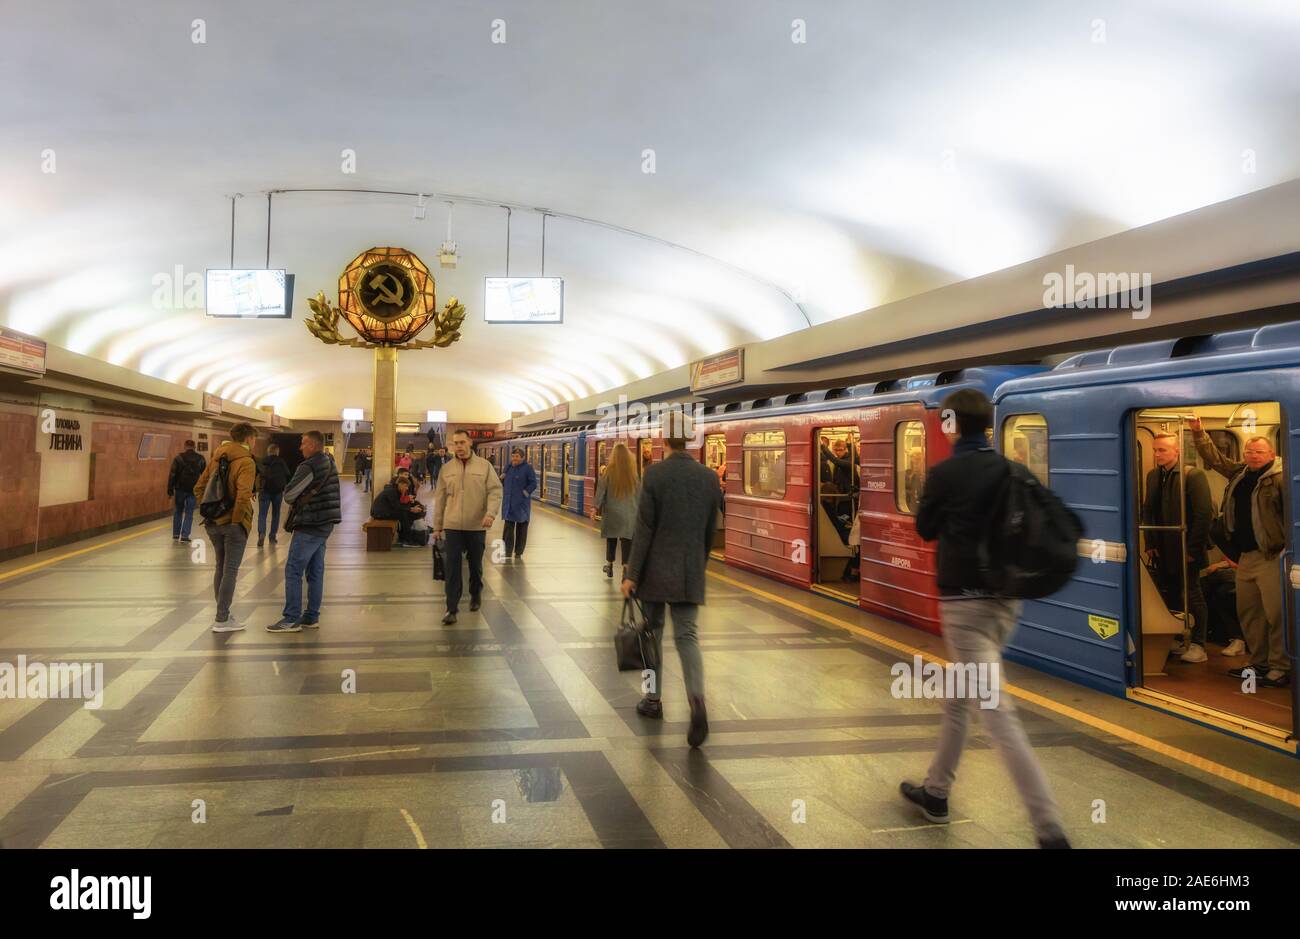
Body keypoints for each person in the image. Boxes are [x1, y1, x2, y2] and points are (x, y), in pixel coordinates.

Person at [901, 388, 1070, 849]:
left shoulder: (945, 473)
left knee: (998, 714)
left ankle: (1048, 827)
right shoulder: (1012, 470)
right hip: (1005, 602)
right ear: (990, 426)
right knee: (960, 698)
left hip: (964, 606)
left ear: (951, 424)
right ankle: (936, 793)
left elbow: (925, 528)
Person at [621, 409, 721, 747]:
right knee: (688, 638)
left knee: (652, 636)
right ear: (690, 437)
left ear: (665, 437)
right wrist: (698, 561)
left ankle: (653, 699)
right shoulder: (709, 478)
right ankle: (697, 701)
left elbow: (644, 529)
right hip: (690, 569)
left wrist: (631, 574)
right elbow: (711, 530)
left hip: (654, 571)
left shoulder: (654, 475)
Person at [1190, 418, 1290, 687]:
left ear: (1272, 454)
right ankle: (1259, 662)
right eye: (1249, 452)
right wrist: (1199, 434)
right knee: (1249, 612)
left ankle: (1280, 667)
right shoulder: (1241, 473)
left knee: (1275, 614)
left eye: (1259, 452)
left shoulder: (1281, 478)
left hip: (1272, 554)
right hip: (1245, 555)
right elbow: (1216, 458)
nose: (1253, 456)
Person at [1141, 432, 1213, 662]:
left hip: (1185, 546)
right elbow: (1148, 510)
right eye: (1154, 450)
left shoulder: (1193, 476)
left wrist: (1192, 551)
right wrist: (1151, 542)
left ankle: (1199, 644)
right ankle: (1177, 636)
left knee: (1192, 594)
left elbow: (1203, 515)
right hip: (1163, 546)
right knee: (1170, 593)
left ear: (1177, 451)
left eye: (1162, 450)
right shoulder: (1153, 476)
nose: (1157, 454)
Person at [267, 431, 342, 633]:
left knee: (293, 569)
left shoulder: (309, 466)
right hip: (325, 523)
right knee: (315, 571)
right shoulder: (329, 461)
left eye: (303, 443)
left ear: (313, 445)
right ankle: (311, 616)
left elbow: (290, 495)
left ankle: (291, 618)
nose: (300, 447)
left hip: (310, 523)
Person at [193, 422, 257, 632]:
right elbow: (243, 494)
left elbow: (198, 487)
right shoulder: (246, 462)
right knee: (230, 569)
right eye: (253, 439)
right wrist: (236, 520)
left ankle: (223, 614)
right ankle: (222, 618)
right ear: (248, 439)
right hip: (233, 525)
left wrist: (211, 511)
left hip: (213, 523)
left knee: (220, 566)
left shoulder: (216, 457)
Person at [433, 430, 502, 624]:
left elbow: (495, 491)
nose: (459, 447)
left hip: (476, 525)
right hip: (452, 525)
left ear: (470, 443)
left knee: (475, 565)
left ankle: (475, 593)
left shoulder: (484, 467)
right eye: (455, 443)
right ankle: (451, 608)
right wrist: (437, 527)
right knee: (452, 568)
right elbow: (440, 499)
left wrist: (490, 514)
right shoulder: (446, 469)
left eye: (462, 442)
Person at [597, 442, 640, 578]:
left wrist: (594, 507)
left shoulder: (608, 472)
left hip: (612, 513)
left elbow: (601, 491)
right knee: (627, 541)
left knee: (611, 539)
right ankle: (626, 570)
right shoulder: (634, 473)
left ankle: (609, 565)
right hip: (629, 514)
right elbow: (639, 494)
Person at [501, 447, 538, 560]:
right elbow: (502, 480)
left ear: (522, 458)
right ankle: (507, 551)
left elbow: (533, 483)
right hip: (509, 502)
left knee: (522, 528)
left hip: (522, 503)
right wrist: (501, 479)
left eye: (517, 456)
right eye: (513, 456)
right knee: (508, 529)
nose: (514, 458)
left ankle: (518, 551)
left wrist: (525, 493)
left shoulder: (528, 468)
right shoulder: (508, 467)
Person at [166, 439, 206, 543]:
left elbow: (172, 474)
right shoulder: (200, 459)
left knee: (178, 511)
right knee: (189, 513)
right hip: (193, 490)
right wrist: (203, 490)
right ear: (194, 447)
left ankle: (175, 534)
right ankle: (185, 535)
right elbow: (205, 476)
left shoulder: (178, 458)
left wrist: (170, 490)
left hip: (180, 489)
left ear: (185, 446)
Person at [371, 474, 424, 544]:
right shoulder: (392, 491)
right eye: (406, 486)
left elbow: (399, 505)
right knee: (403, 514)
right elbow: (397, 506)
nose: (407, 488)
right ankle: (406, 539)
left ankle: (405, 536)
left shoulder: (395, 490)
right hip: (380, 513)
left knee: (405, 513)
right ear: (400, 484)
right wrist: (411, 509)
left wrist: (411, 508)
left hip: (385, 511)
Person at [256, 443, 291, 548]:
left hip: (264, 491)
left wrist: (254, 490)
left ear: (268, 451)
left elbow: (256, 474)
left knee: (262, 514)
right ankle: (272, 536)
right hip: (277, 492)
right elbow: (288, 474)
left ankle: (261, 534)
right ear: (277, 452)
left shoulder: (262, 461)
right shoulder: (281, 461)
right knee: (276, 514)